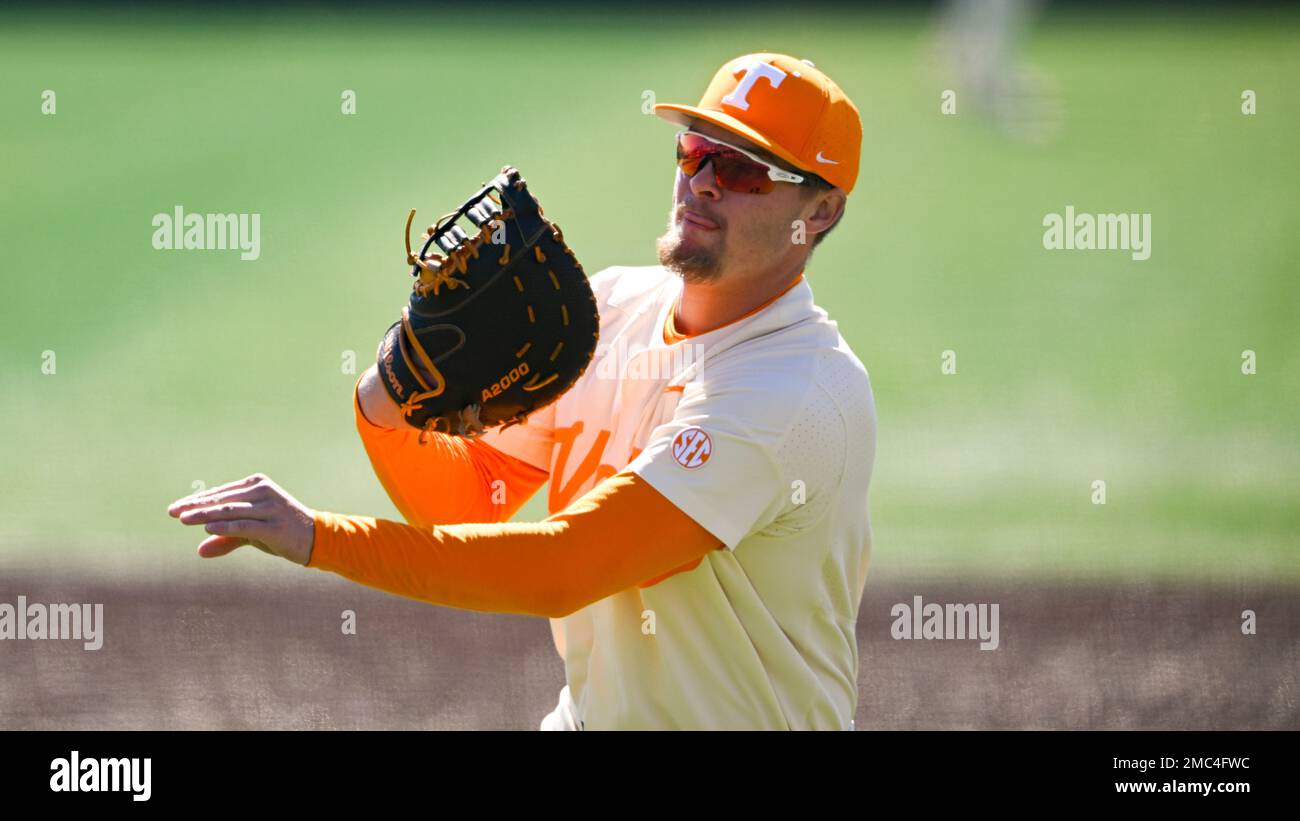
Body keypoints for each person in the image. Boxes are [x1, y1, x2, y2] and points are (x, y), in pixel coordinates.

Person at [169, 52, 877, 731]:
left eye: (745, 169)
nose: (703, 182)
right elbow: (473, 497)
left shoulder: (792, 392)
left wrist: (321, 539)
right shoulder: (613, 308)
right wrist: (386, 398)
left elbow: (566, 566)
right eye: (695, 151)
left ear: (819, 214)